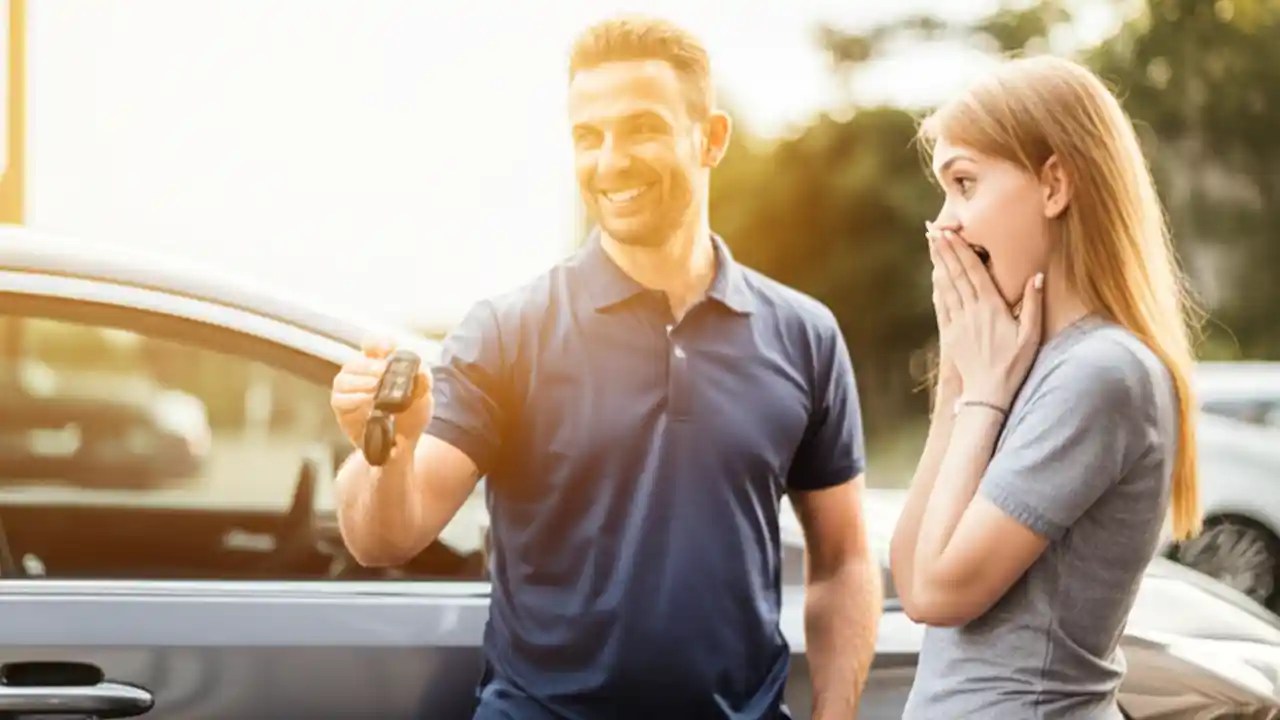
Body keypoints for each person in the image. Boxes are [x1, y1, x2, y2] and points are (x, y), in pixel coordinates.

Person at [329, 14, 882, 720]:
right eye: (588, 136)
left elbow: (843, 561)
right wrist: (387, 453)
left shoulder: (804, 335)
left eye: (641, 128)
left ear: (710, 139)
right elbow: (384, 538)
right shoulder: (507, 331)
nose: (610, 160)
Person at [889, 55, 1203, 719]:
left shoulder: (1103, 373)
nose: (944, 222)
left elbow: (938, 593)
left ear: (1054, 184)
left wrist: (980, 398)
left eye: (965, 182)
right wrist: (959, 382)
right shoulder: (1031, 368)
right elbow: (910, 565)